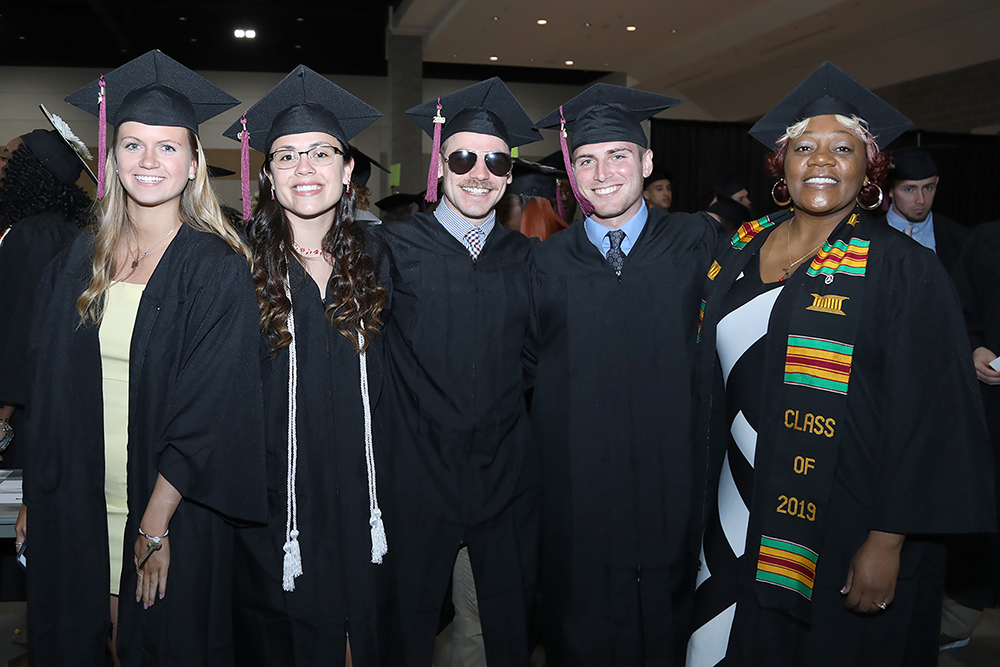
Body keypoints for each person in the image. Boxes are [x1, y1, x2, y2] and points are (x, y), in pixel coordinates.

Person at [686, 61, 994, 667]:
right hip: (734, 500)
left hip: (844, 516)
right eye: (805, 146)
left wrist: (886, 540)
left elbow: (931, 417)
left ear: (870, 168)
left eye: (842, 147)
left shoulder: (902, 267)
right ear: (782, 164)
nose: (822, 160)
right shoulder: (741, 245)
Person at [25, 50, 266, 666]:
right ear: (112, 158)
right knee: (84, 641)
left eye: (167, 147)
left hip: (168, 503)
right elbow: (47, 388)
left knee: (160, 647)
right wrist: (37, 492)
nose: (149, 161)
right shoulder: (77, 262)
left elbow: (212, 406)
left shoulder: (216, 268)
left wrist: (155, 524)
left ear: (192, 165)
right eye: (133, 144)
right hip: (78, 499)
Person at [530, 83, 718, 667]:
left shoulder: (697, 241)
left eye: (618, 155)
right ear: (571, 173)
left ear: (647, 162)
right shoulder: (544, 261)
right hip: (578, 487)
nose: (602, 172)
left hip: (675, 480)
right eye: (585, 159)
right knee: (580, 622)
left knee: (671, 622)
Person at [222, 64, 395, 667]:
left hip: (368, 492)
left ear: (348, 171)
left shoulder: (380, 257)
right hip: (274, 500)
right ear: (267, 175)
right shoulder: (234, 263)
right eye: (286, 155)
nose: (303, 169)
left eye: (321, 153)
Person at [373, 77, 541, 667]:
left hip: (502, 475)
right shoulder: (392, 249)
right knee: (406, 625)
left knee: (502, 626)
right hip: (413, 475)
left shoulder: (526, 258)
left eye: (496, 162)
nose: (479, 173)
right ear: (439, 165)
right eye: (463, 158)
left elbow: (533, 364)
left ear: (509, 175)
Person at [0, 114, 93, 467]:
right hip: (57, 393)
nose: (3, 166)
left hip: (25, 401)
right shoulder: (72, 227)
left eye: (10, 158)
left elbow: (24, 324)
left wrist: (4, 411)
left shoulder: (36, 233)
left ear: (32, 170)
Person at [941, 222, 1000, 649]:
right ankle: (962, 615)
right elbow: (962, 307)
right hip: (991, 402)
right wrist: (975, 344)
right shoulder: (986, 239)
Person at [883, 147, 967, 273]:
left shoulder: (960, 238)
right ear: (890, 189)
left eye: (928, 188)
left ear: (937, 183)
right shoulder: (865, 236)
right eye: (909, 189)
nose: (921, 200)